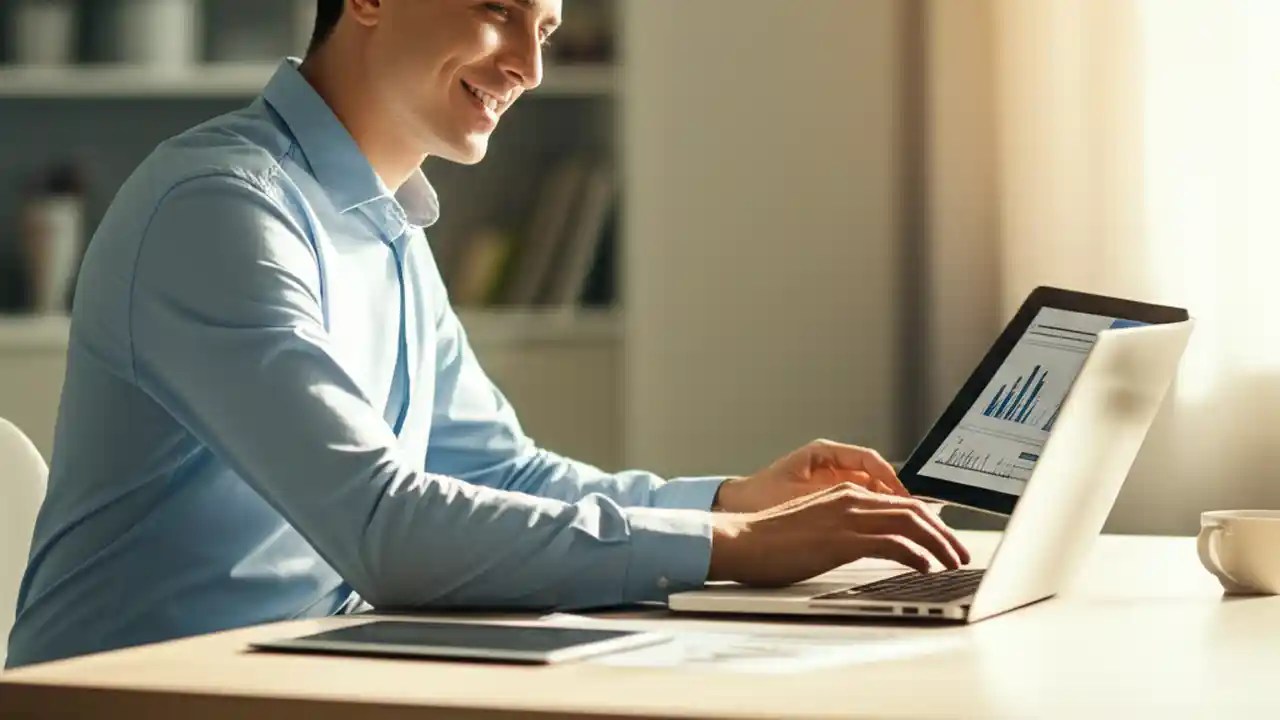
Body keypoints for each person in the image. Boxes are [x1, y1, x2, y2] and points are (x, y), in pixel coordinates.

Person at [5, 0, 969, 669]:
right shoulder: (221, 207)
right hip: (135, 696)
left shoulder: (381, 223)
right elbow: (387, 528)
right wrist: (733, 543)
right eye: (497, 12)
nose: (529, 67)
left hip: (297, 677)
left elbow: (500, 474)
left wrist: (732, 498)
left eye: (544, 29)